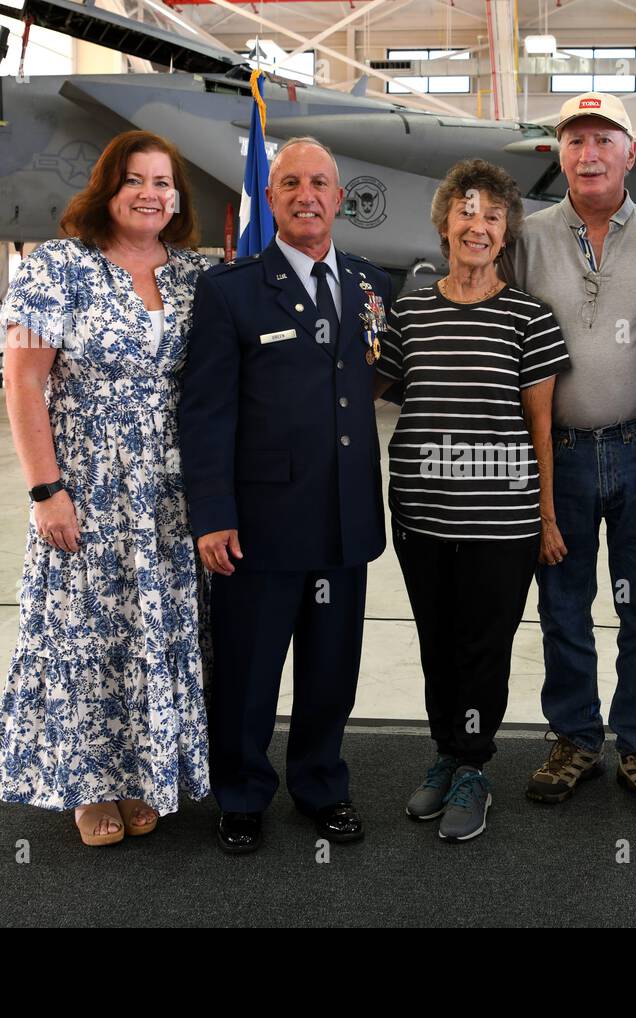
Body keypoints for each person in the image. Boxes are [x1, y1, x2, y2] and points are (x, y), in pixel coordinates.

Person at [0, 130, 212, 846]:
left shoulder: (193, 276)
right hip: (84, 479)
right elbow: (22, 382)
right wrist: (45, 489)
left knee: (156, 630)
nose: (151, 193)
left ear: (178, 197)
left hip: (169, 490)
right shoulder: (56, 267)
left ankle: (148, 775)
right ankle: (88, 788)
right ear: (107, 189)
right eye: (135, 180)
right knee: (85, 633)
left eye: (163, 182)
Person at [179, 137, 393, 855]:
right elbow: (206, 413)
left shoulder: (367, 284)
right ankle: (240, 793)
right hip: (260, 526)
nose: (307, 195)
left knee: (331, 671)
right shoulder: (231, 290)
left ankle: (320, 785)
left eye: (321, 183)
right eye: (291, 183)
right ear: (270, 200)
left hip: (344, 519)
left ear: (339, 198)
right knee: (248, 672)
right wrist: (212, 514)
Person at [512, 93, 636, 822]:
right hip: (559, 453)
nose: (588, 153)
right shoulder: (525, 240)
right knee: (563, 607)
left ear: (630, 153)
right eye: (574, 140)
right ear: (559, 154)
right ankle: (575, 739)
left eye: (603, 139)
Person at [373, 160, 568, 842]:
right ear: (445, 224)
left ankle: (475, 766)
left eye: (491, 216)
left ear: (505, 230)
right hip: (422, 518)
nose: (477, 226)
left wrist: (545, 518)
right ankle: (446, 753)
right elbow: (377, 391)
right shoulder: (408, 313)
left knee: (484, 647)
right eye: (467, 212)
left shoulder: (530, 318)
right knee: (437, 643)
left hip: (502, 521)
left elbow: (541, 427)